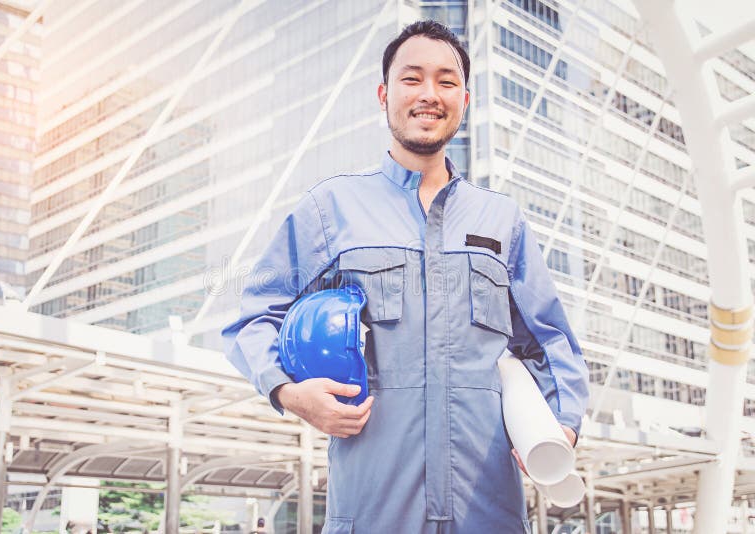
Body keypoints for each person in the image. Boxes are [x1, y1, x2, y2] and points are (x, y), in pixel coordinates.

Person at [222, 20, 589, 533]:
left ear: (465, 98)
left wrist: (562, 426)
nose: (429, 95)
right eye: (411, 78)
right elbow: (254, 318)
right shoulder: (330, 210)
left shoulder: (501, 221)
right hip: (373, 512)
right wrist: (289, 393)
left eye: (445, 81)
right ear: (384, 94)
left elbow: (551, 345)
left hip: (487, 514)